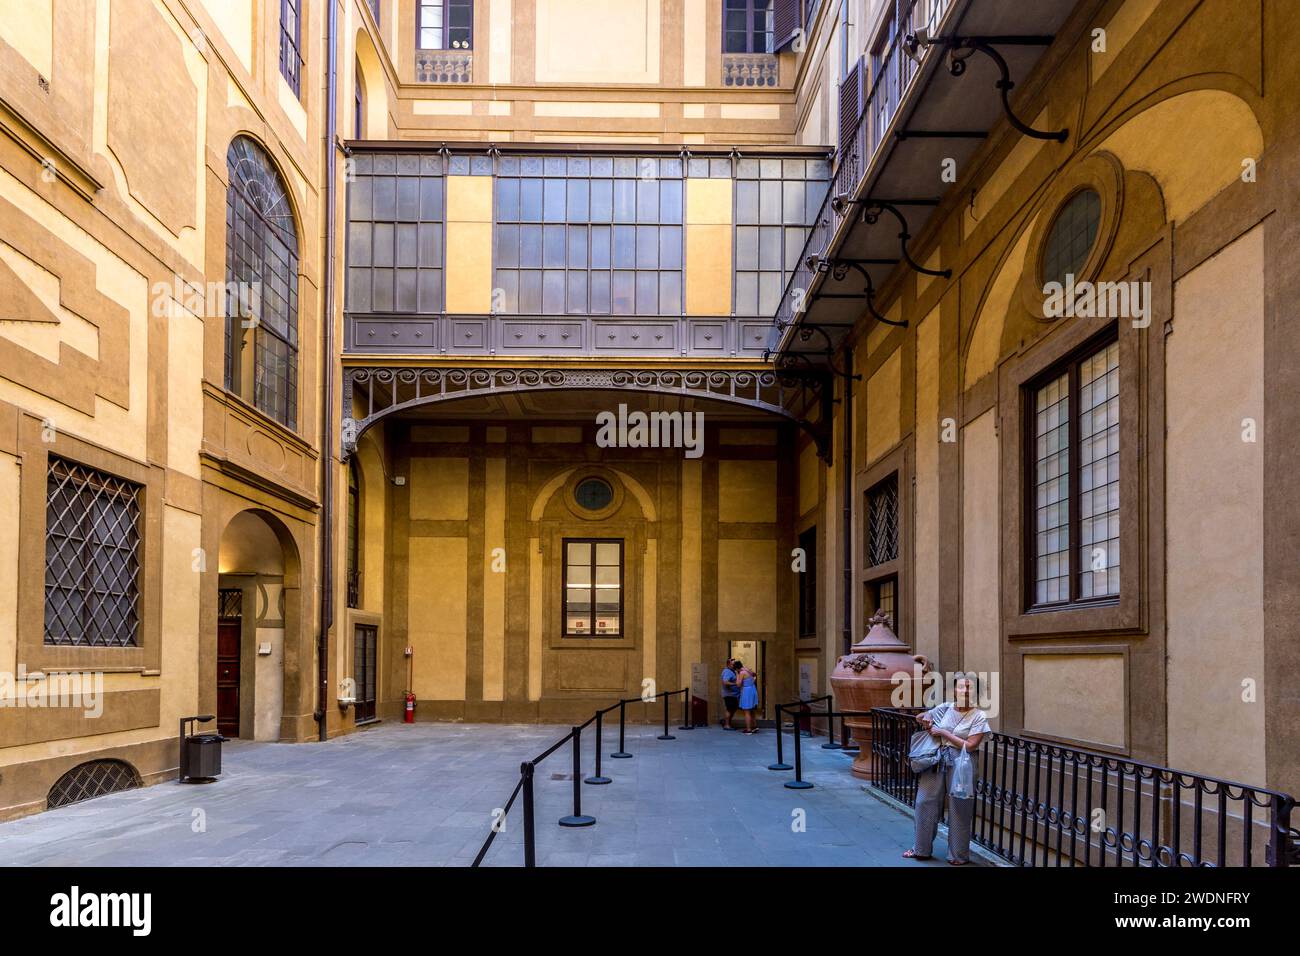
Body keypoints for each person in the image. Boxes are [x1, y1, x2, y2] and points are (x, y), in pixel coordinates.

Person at [903, 672, 989, 865]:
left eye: (969, 687)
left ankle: (958, 855)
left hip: (962, 764)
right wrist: (926, 719)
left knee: (960, 807)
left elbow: (971, 745)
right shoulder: (945, 707)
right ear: (954, 690)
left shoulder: (979, 716)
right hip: (937, 760)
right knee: (924, 802)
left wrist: (942, 732)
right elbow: (920, 717)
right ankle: (921, 849)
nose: (965, 690)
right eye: (961, 686)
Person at [735, 660, 759, 735]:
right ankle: (754, 726)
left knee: (747, 711)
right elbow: (754, 675)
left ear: (736, 668)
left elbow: (738, 684)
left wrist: (737, 675)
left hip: (747, 691)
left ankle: (748, 729)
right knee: (752, 710)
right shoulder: (747, 669)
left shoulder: (741, 672)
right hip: (752, 689)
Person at [720, 658, 740, 730]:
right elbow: (725, 682)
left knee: (733, 709)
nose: (734, 665)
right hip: (729, 694)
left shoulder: (732, 671)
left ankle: (726, 722)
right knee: (730, 709)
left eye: (734, 664)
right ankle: (727, 725)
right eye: (733, 664)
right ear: (728, 664)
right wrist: (735, 684)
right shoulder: (727, 671)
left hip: (733, 695)